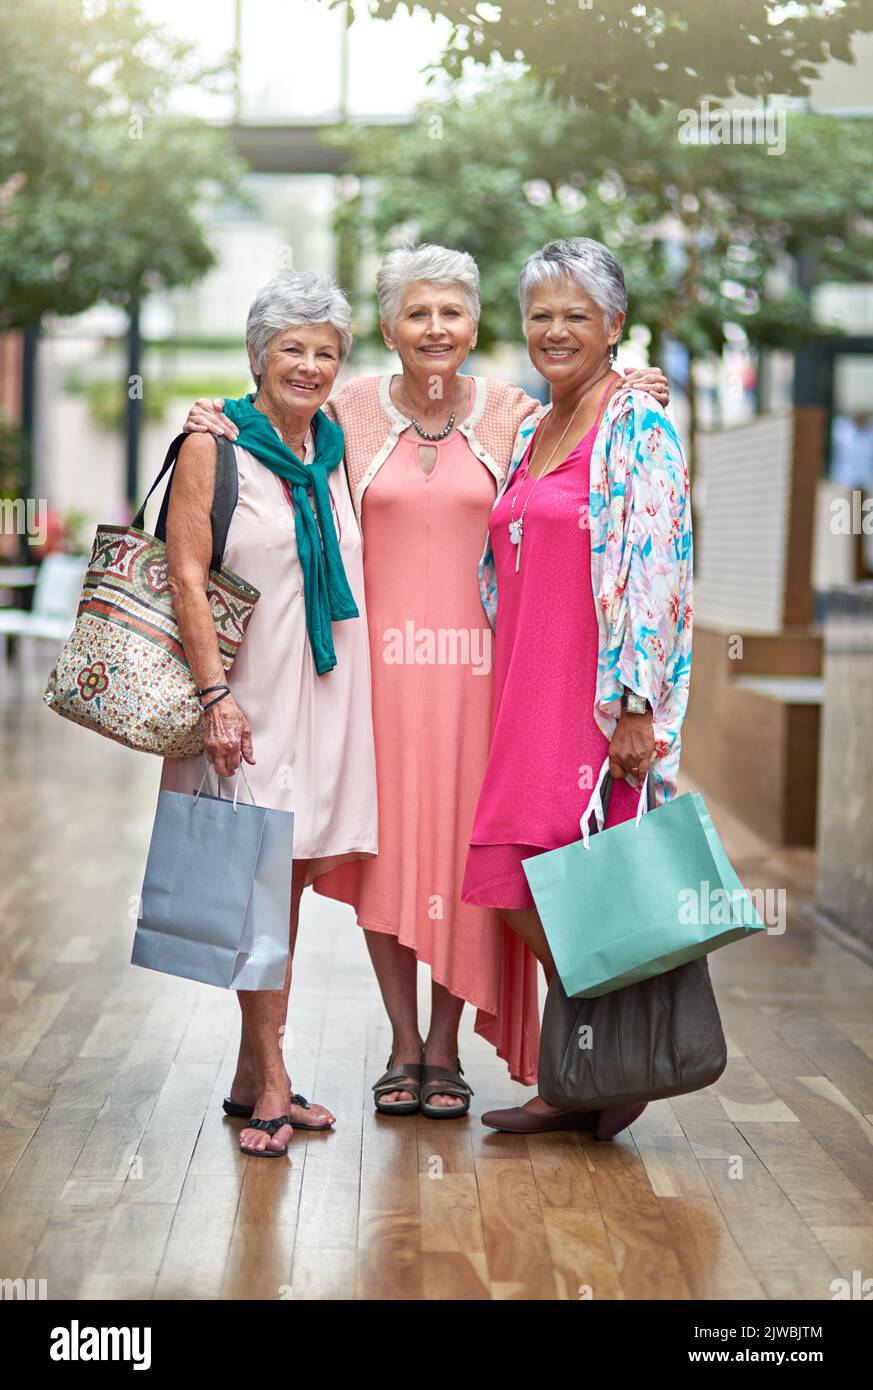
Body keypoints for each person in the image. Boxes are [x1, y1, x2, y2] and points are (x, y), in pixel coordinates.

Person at [182, 243, 669, 1118]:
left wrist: (638, 382)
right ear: (387, 328)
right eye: (416, 312)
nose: (435, 328)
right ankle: (402, 1047)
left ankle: (447, 1050)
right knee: (388, 855)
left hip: (487, 679)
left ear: (477, 326)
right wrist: (213, 415)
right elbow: (273, 414)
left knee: (470, 856)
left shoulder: (520, 414)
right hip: (377, 680)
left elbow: (594, 411)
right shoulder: (352, 410)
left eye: (451, 312)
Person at [461, 237, 693, 1140]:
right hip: (524, 689)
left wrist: (638, 703)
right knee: (511, 876)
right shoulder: (528, 429)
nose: (554, 331)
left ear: (613, 327)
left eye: (576, 316)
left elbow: (659, 567)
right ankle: (600, 1059)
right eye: (541, 315)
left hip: (594, 700)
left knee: (576, 881)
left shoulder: (636, 427)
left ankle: (593, 1071)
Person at [162, 270, 377, 1157]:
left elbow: (454, 406)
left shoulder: (337, 445)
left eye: (326, 351)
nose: (310, 365)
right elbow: (184, 574)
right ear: (257, 355)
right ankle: (274, 1080)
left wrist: (629, 381)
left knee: (280, 881)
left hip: (319, 695)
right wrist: (215, 697)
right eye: (292, 348)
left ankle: (255, 1072)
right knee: (251, 876)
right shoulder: (216, 442)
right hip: (242, 697)